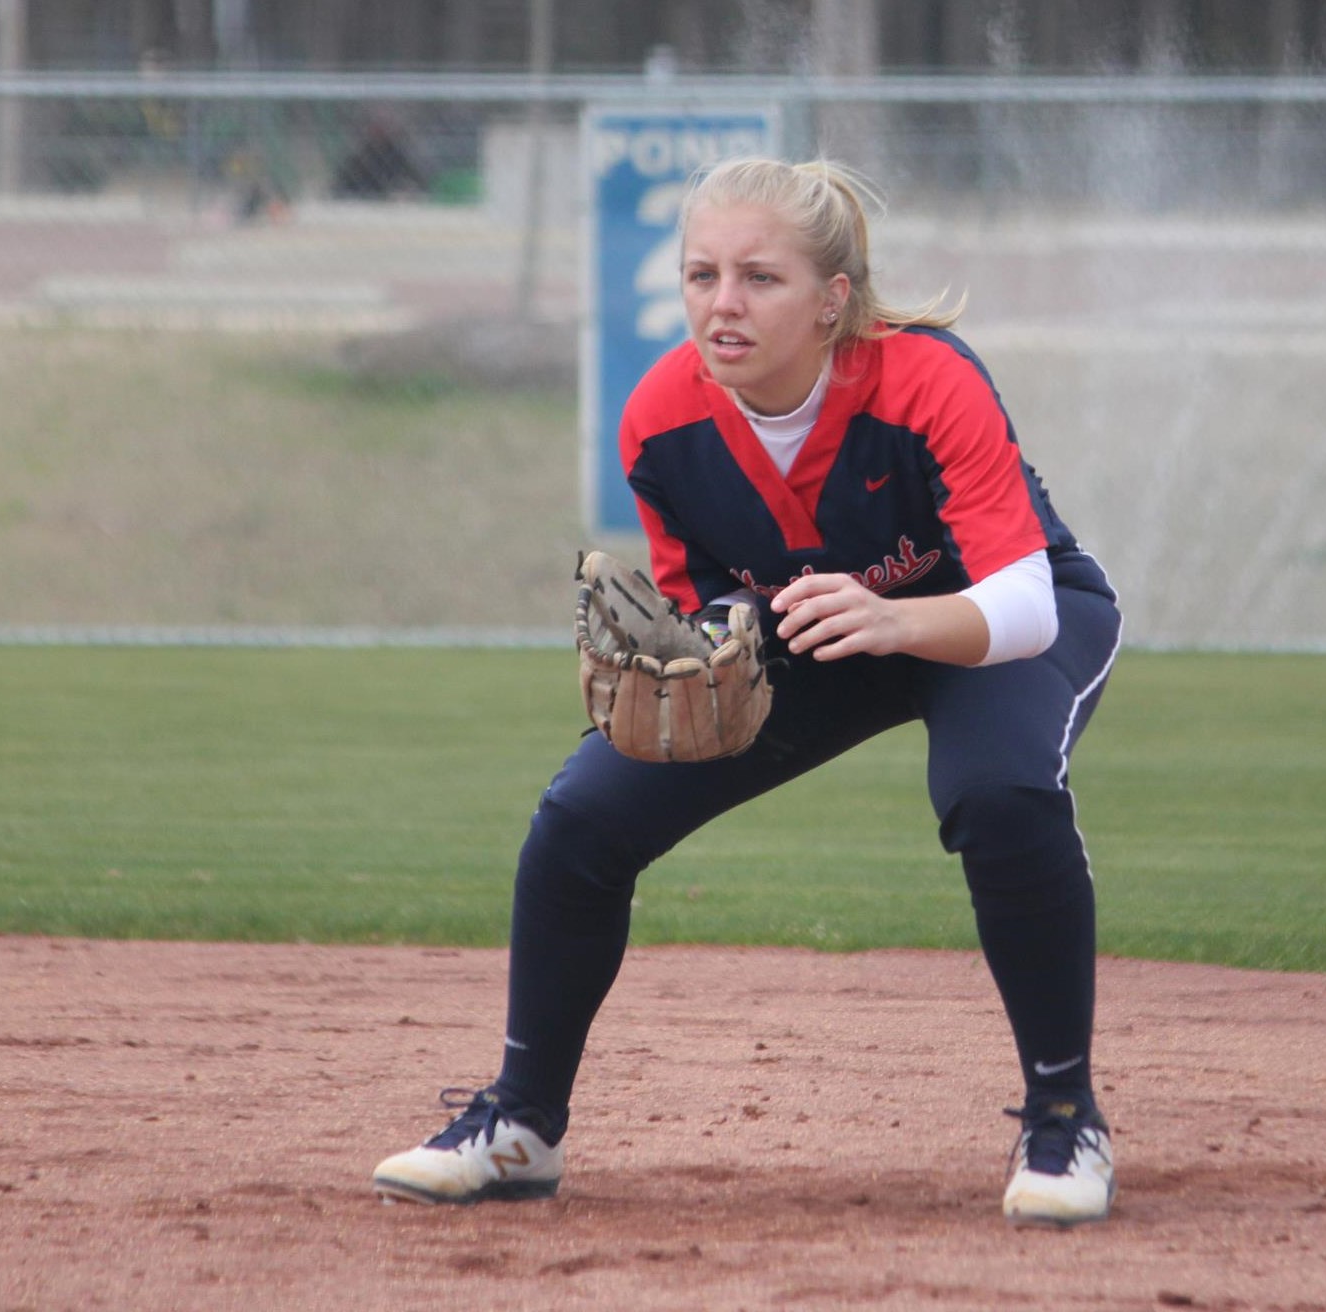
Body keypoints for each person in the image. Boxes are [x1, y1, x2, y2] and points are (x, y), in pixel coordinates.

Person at [371, 157, 1123, 1227]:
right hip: (817, 636)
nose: (722, 303)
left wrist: (896, 619)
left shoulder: (926, 379)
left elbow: (1031, 606)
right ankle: (521, 1124)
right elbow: (716, 610)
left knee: (997, 792)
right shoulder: (661, 424)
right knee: (584, 814)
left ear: (833, 300)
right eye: (701, 274)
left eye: (759, 278)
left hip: (989, 627)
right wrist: (694, 655)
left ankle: (1062, 1113)